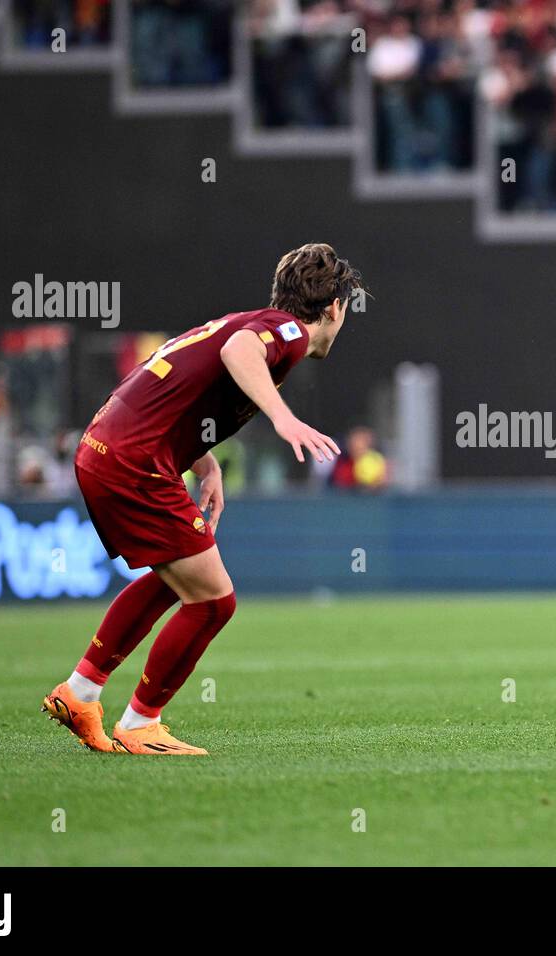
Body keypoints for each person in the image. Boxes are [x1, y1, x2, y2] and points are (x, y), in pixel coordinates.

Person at [42, 243, 362, 755]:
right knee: (215, 601)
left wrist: (201, 458)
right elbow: (238, 354)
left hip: (106, 448)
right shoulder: (289, 332)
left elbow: (172, 376)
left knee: (177, 583)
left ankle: (80, 692)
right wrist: (283, 417)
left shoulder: (243, 319)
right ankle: (141, 723)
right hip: (133, 461)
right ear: (334, 308)